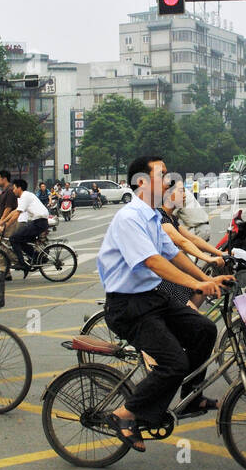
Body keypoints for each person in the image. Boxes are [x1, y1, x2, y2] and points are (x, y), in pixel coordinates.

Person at [97, 157, 230, 452]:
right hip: (128, 307)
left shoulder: (153, 216)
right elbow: (152, 260)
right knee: (174, 363)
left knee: (204, 330)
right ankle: (124, 414)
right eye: (162, 174)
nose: (169, 180)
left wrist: (207, 277)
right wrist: (195, 285)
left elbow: (173, 254)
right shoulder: (130, 218)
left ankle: (191, 397)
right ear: (141, 182)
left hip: (152, 298)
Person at [159, 180, 227, 307]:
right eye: (181, 191)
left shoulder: (172, 218)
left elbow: (193, 239)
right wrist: (208, 258)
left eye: (184, 191)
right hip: (162, 279)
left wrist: (220, 253)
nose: (184, 195)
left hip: (172, 273)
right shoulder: (160, 218)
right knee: (192, 310)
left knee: (202, 289)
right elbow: (183, 242)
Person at [8, 178, 51, 276]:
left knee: (13, 238)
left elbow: (17, 214)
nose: (13, 190)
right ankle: (38, 257)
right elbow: (14, 211)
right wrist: (2, 221)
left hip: (39, 222)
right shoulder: (25, 196)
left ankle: (22, 264)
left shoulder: (25, 196)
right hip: (39, 222)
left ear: (19, 188)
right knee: (21, 240)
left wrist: (6, 226)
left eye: (14, 188)